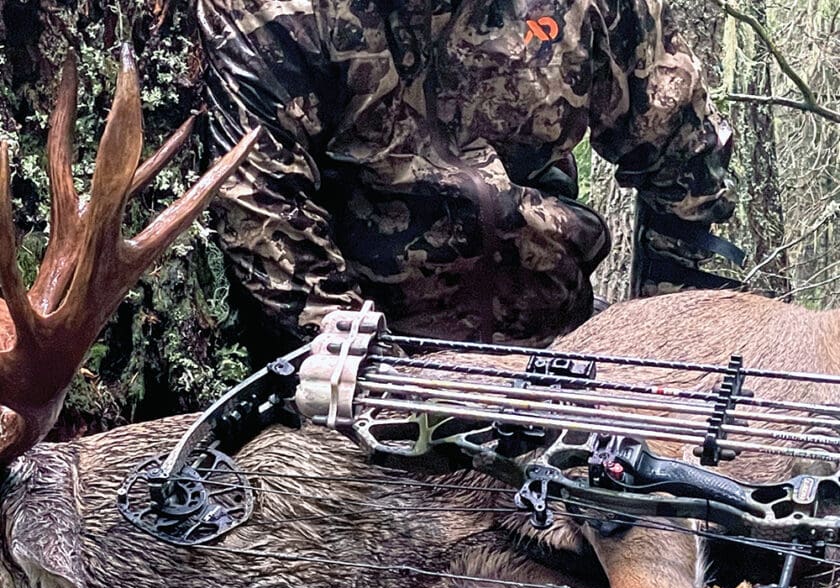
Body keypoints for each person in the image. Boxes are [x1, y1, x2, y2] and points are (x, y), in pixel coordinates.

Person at [197, 0, 736, 356]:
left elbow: (684, 160)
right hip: (357, 365)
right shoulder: (271, 12)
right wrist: (366, 369)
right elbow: (260, 206)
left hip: (555, 344)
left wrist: (666, 350)